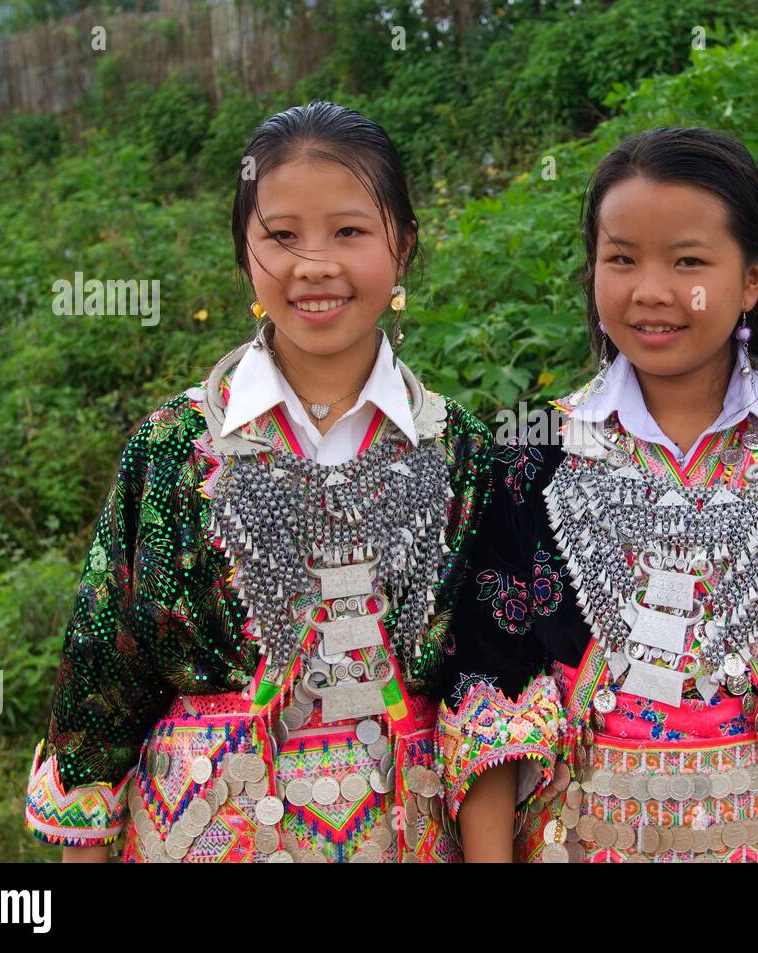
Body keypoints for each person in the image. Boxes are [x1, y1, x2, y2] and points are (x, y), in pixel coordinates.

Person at [437, 126, 758, 863]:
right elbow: (490, 685)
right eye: (621, 259)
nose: (651, 291)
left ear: (752, 277)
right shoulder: (532, 460)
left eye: (688, 262)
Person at [24, 101, 493, 863]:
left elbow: (487, 679)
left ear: (404, 246)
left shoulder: (458, 448)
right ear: (244, 254)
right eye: (281, 236)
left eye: (349, 231)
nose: (314, 264)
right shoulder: (175, 446)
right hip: (202, 830)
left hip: (405, 831)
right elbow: (104, 669)